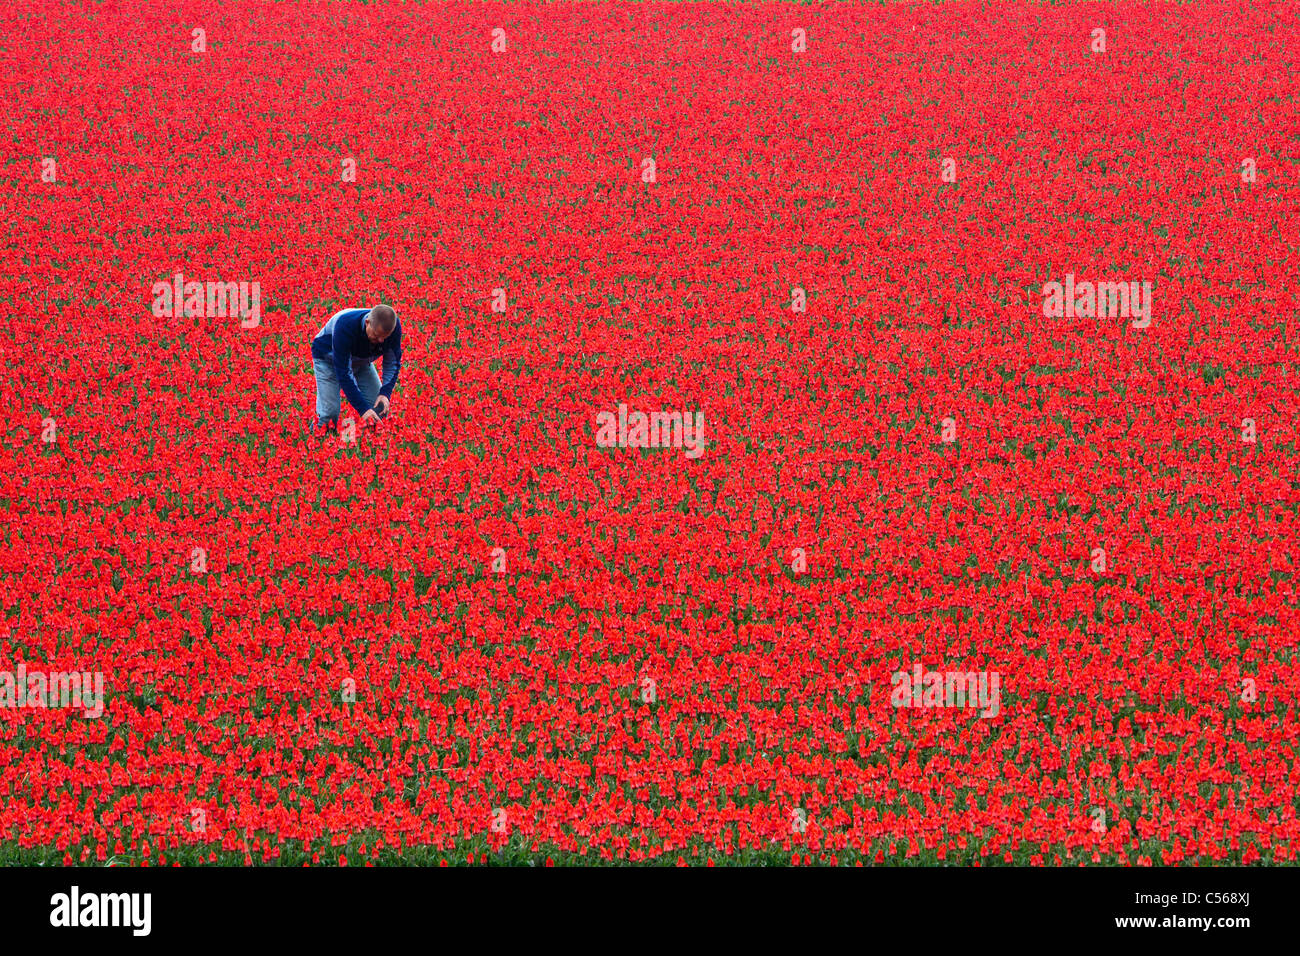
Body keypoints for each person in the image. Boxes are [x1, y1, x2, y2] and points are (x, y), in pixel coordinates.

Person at [310, 304, 401, 435]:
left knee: (378, 408)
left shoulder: (392, 327)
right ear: (367, 322)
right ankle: (316, 438)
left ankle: (355, 439)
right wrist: (363, 409)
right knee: (329, 414)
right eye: (376, 335)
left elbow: (393, 363)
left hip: (360, 361)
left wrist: (385, 393)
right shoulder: (346, 325)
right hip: (327, 359)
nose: (381, 340)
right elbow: (344, 373)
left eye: (384, 337)